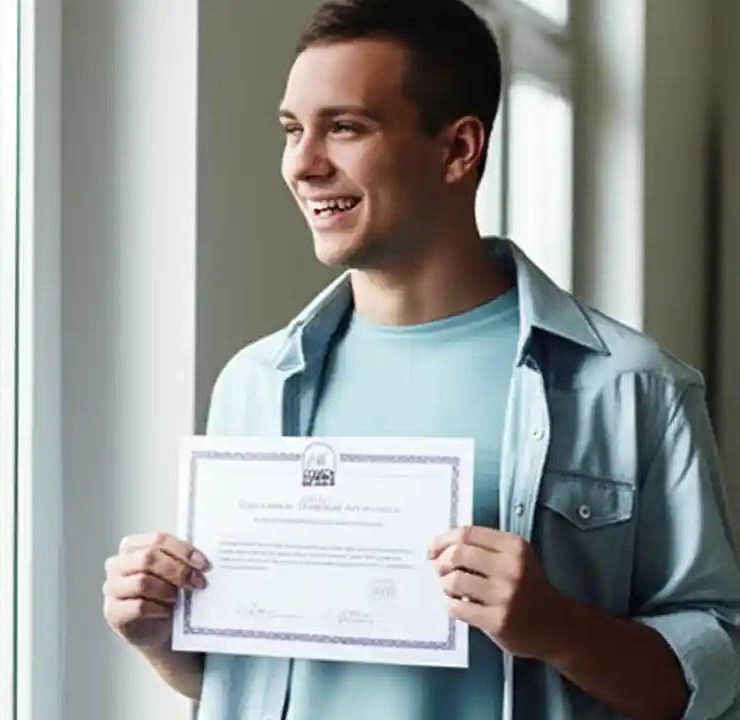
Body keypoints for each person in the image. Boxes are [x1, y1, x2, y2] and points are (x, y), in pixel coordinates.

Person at [100, 0, 740, 718]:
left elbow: (717, 675)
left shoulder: (630, 388)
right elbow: (251, 675)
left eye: (344, 127)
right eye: (292, 130)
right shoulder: (254, 384)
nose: (303, 165)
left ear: (459, 149)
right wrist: (161, 636)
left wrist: (558, 630)